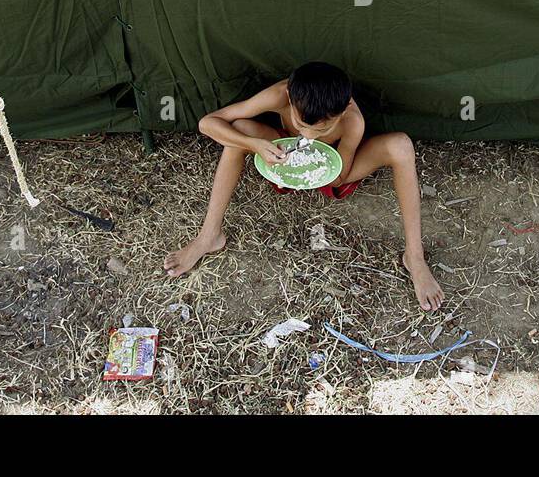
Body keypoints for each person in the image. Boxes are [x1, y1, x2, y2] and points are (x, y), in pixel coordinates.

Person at [162, 61, 445, 310]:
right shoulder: (280, 94)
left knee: (401, 145)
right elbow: (208, 124)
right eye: (301, 124)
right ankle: (209, 235)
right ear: (288, 97)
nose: (308, 134)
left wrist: (314, 164)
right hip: (283, 153)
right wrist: (254, 145)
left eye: (319, 129)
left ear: (344, 109)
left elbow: (337, 177)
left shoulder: (352, 121)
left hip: (333, 168)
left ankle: (415, 257)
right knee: (242, 130)